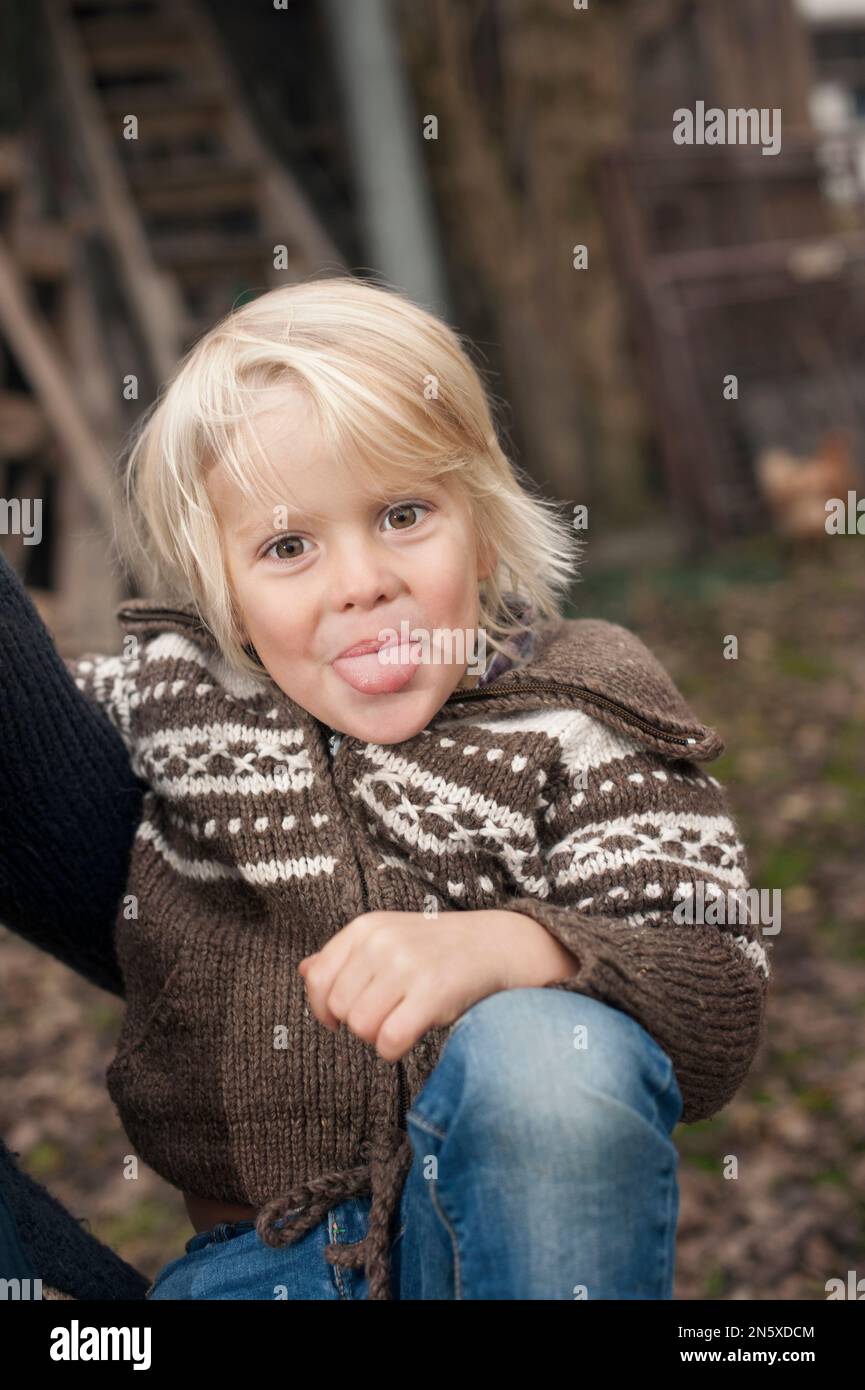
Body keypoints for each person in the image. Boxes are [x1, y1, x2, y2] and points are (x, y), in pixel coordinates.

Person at [1, 276, 771, 1300]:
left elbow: (712, 972)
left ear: (483, 525)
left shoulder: (577, 707)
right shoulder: (177, 699)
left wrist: (518, 946)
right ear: (221, 594)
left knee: (541, 1048)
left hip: (498, 1238)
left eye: (403, 513)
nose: (360, 581)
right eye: (287, 546)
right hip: (257, 1266)